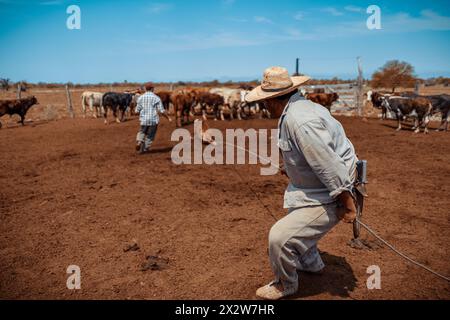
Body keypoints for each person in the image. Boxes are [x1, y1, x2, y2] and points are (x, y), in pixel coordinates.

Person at [245, 67, 358, 300]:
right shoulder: (301, 109)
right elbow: (314, 156)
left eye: (265, 102)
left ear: (275, 99)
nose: (264, 107)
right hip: (317, 186)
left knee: (279, 237)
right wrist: (293, 168)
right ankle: (311, 263)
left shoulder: (298, 121)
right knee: (297, 213)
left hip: (332, 190)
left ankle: (285, 284)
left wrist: (347, 202)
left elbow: (327, 164)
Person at [135, 83, 172, 153]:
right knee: (150, 135)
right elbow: (161, 111)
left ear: (145, 89)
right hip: (153, 120)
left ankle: (139, 141)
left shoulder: (140, 98)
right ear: (152, 89)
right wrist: (168, 117)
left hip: (144, 120)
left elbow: (136, 111)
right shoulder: (156, 98)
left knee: (142, 132)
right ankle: (145, 148)